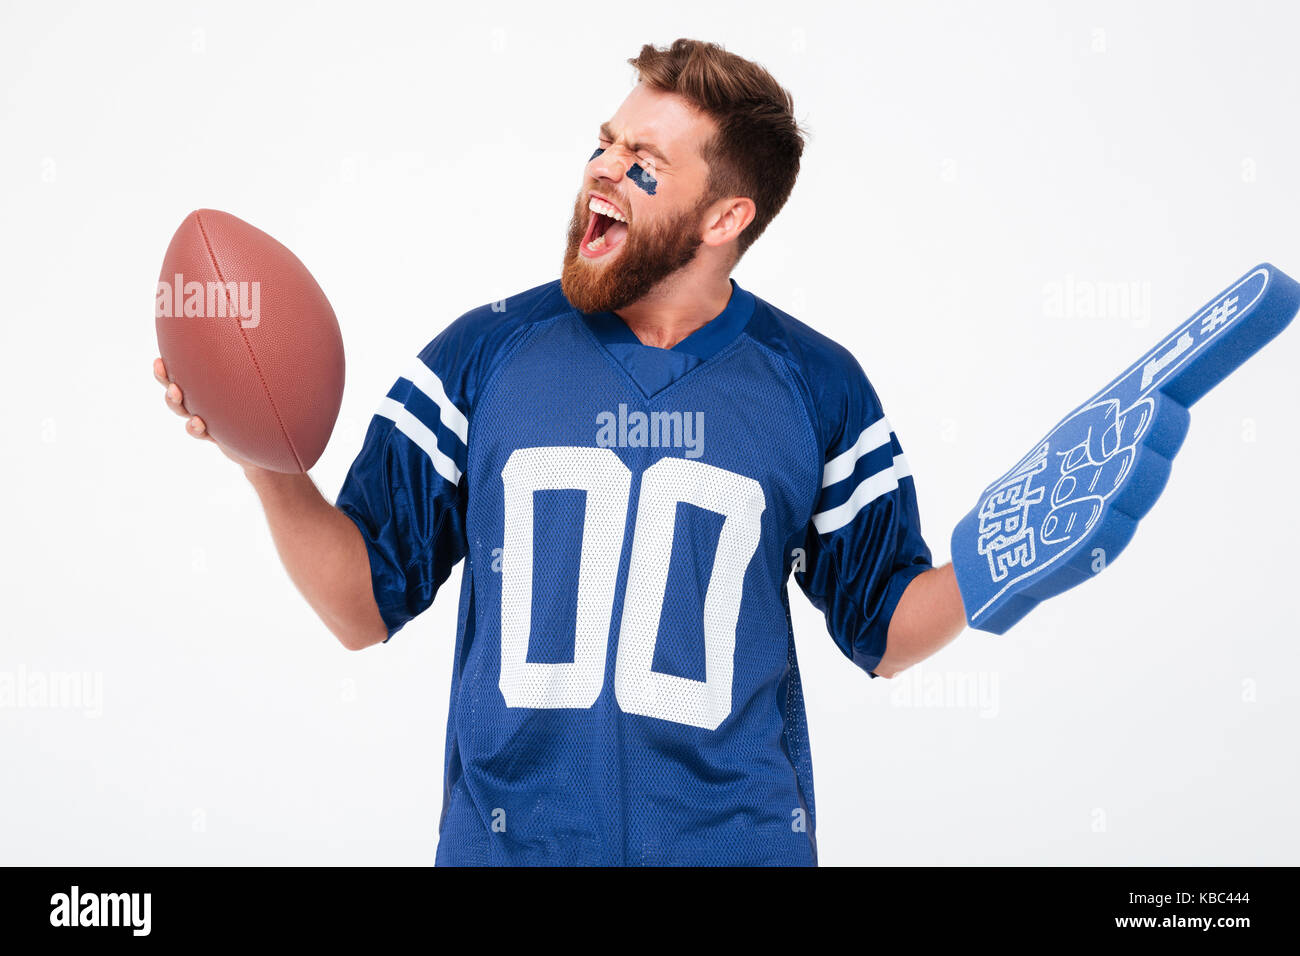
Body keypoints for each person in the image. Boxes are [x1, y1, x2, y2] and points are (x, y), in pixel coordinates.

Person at [154, 38, 967, 866]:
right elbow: (360, 608)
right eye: (606, 142)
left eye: (642, 158)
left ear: (725, 218)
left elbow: (886, 628)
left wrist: (997, 562)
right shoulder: (484, 353)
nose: (602, 170)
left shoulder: (814, 385)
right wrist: (262, 452)